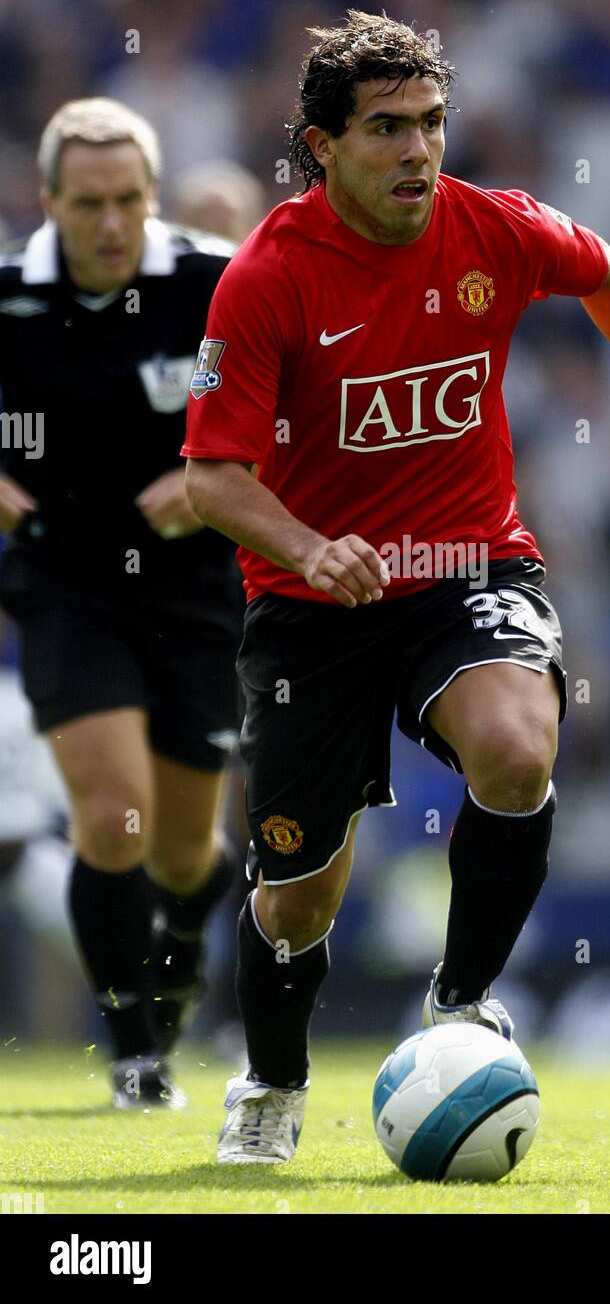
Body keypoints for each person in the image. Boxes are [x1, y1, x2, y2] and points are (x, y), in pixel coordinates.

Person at [182, 11, 610, 1165]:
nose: (417, 151)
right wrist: (305, 547)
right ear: (321, 145)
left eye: (432, 124)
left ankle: (458, 1002)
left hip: (466, 565)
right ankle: (274, 1080)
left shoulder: (487, 227)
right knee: (296, 894)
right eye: (386, 129)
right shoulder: (265, 280)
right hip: (313, 601)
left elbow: (605, 272)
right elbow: (210, 478)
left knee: (517, 748)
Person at [0, 98, 244, 1108]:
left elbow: (296, 415)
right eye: (88, 203)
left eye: (130, 201)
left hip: (197, 594)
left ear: (153, 196)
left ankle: (182, 943)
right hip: (65, 587)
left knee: (189, 853)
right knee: (111, 819)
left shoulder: (216, 282)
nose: (110, 224)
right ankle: (137, 1054)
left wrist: (209, 479)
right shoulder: (7, 294)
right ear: (49, 199)